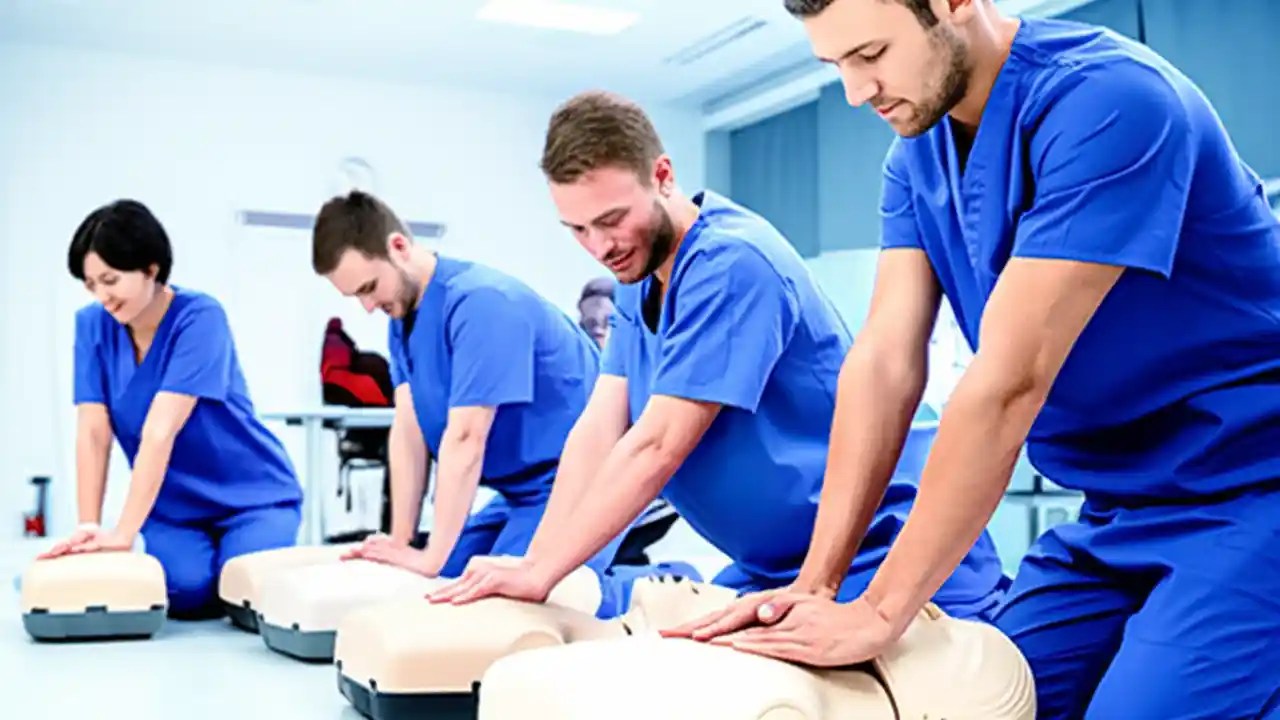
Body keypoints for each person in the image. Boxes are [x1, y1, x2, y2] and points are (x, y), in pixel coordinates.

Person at [683, 1, 1280, 718]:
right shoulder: (914, 159)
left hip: (1254, 490)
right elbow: (884, 366)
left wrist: (880, 610)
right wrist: (817, 582)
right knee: (984, 697)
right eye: (835, 64)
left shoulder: (1113, 102)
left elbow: (1008, 382)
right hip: (1117, 512)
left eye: (871, 54)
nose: (855, 91)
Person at [427, 90, 1006, 621]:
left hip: (879, 551)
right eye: (577, 229)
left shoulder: (732, 264)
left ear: (662, 176)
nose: (599, 246)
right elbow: (601, 426)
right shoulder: (639, 273)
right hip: (773, 565)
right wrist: (543, 563)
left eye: (610, 220)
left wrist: (542, 571)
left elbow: (658, 444)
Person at [310, 190, 668, 618]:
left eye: (369, 288)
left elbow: (466, 438)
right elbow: (408, 431)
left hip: (585, 479)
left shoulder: (480, 303)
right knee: (445, 588)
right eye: (356, 297)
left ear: (399, 247)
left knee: (511, 604)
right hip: (523, 491)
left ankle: (670, 589)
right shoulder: (403, 318)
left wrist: (430, 557)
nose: (368, 307)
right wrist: (402, 542)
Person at [41, 199, 303, 618]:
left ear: (151, 268)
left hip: (252, 497)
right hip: (173, 510)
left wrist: (124, 533)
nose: (102, 296)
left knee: (245, 590)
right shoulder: (91, 325)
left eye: (110, 280)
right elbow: (93, 431)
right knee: (184, 594)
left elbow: (160, 430)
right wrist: (89, 528)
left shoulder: (200, 317)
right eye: (91, 284)